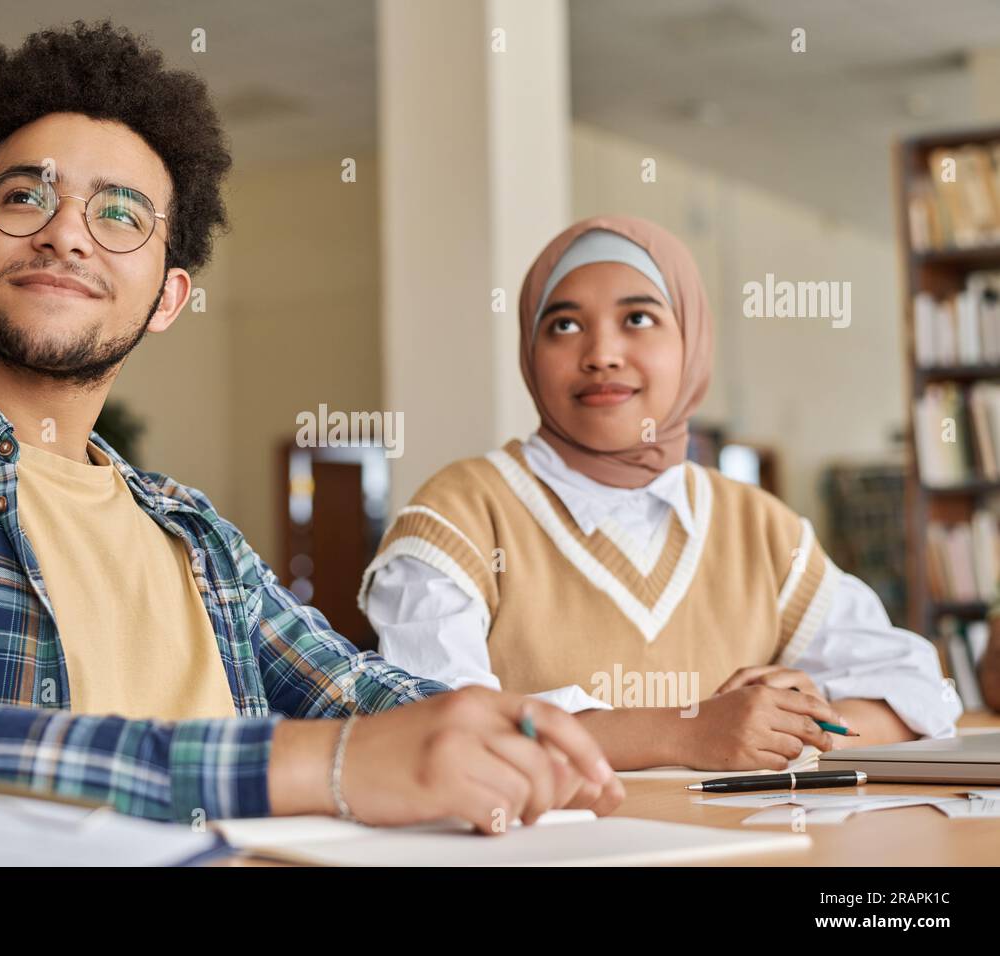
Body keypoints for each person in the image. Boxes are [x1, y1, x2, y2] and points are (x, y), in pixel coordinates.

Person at [0, 21, 623, 832]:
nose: (66, 235)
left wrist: (637, 735)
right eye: (25, 197)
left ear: (168, 297)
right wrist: (330, 766)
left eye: (120, 213)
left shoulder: (192, 532)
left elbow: (367, 698)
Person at [362, 214, 961, 771]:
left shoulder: (759, 526)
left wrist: (800, 725)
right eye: (564, 325)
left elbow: (916, 690)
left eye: (638, 319)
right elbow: (441, 728)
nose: (600, 355)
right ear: (530, 351)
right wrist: (686, 730)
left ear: (691, 343)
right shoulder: (460, 512)